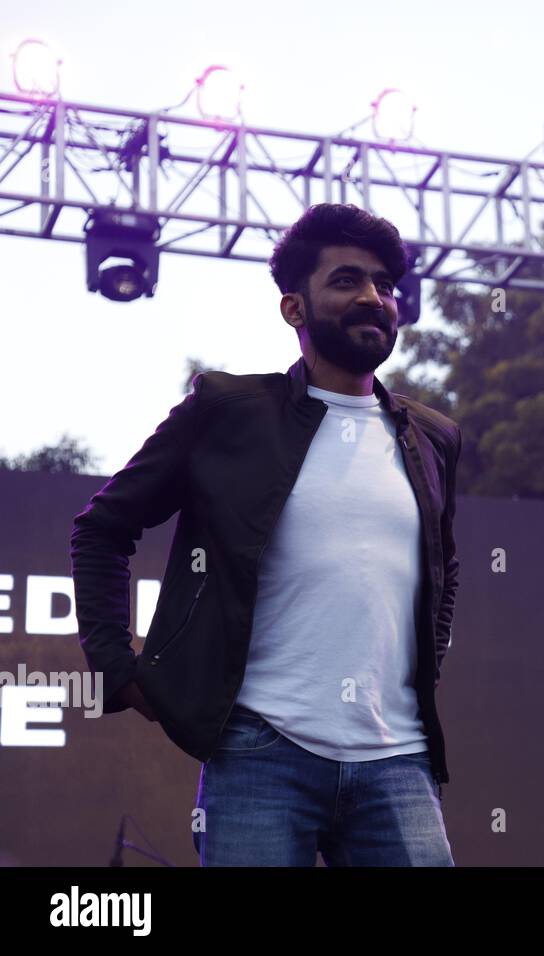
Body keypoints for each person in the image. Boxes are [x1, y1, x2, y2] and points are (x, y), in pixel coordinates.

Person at [70, 203, 462, 866]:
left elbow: (443, 571)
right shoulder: (226, 409)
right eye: (346, 281)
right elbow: (103, 529)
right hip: (259, 752)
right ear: (294, 309)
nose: (373, 297)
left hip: (400, 762)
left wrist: (426, 667)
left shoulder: (433, 438)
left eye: (384, 285)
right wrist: (116, 670)